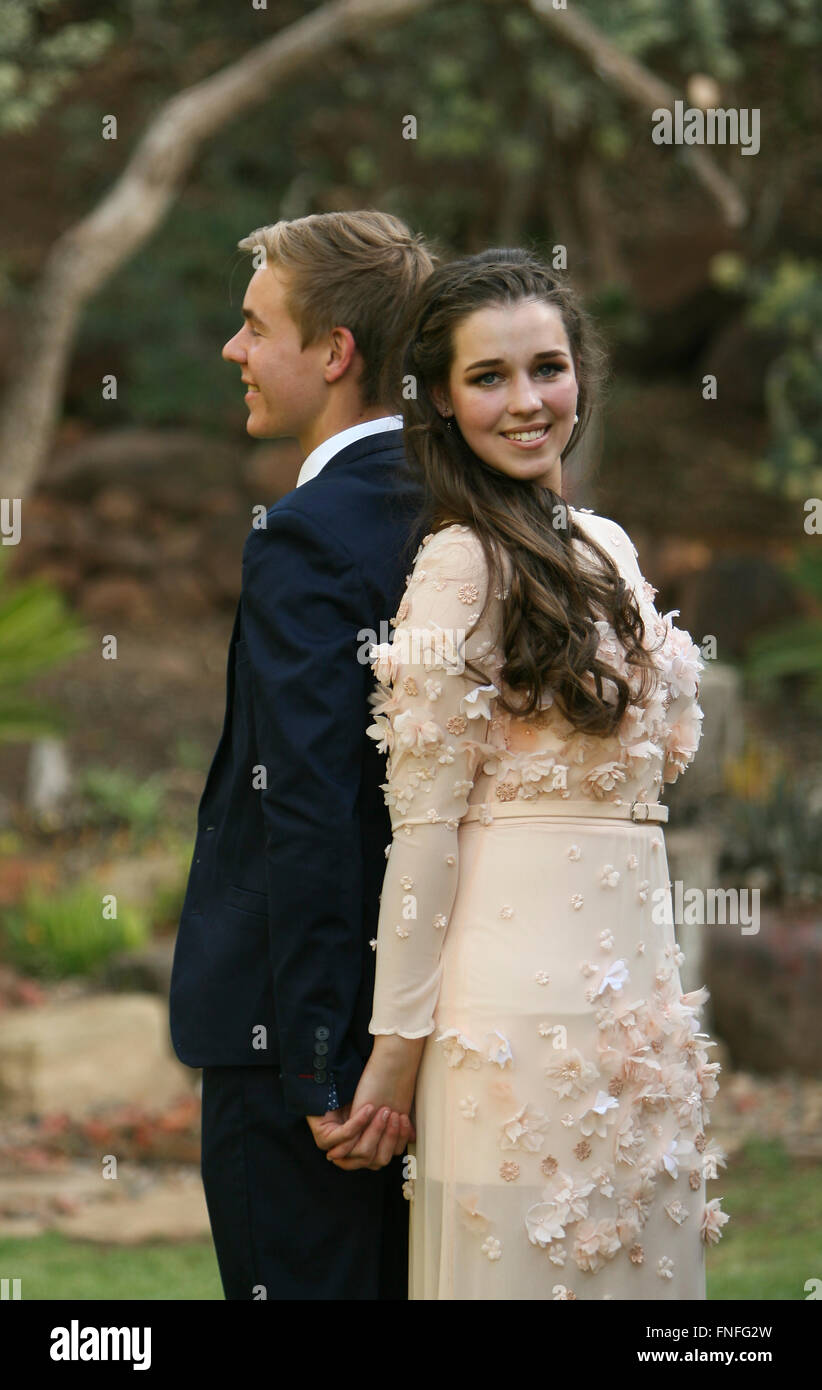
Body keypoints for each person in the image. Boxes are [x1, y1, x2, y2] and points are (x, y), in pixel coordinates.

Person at [325, 249, 730, 1299]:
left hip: (636, 995)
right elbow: (423, 826)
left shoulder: (609, 545)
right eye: (488, 377)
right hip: (511, 1014)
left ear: (581, 373)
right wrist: (394, 1050)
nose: (526, 401)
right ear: (444, 401)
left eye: (546, 367)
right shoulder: (458, 564)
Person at [169, 210, 440, 1299]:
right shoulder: (469, 512)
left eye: (254, 327)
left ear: (334, 354)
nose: (233, 350)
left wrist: (324, 1061)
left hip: (295, 1051)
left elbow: (313, 806)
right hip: (430, 1029)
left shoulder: (311, 532)